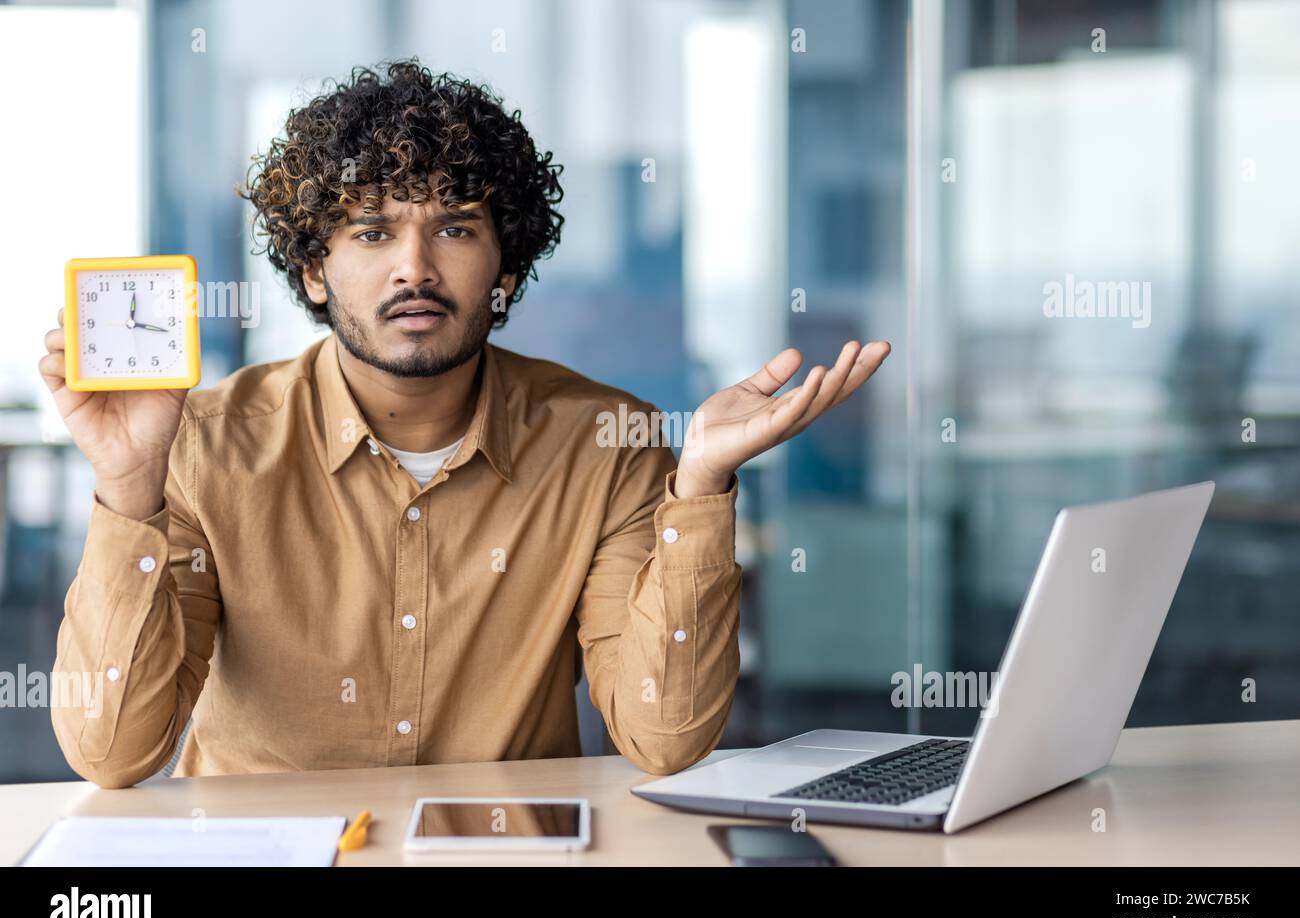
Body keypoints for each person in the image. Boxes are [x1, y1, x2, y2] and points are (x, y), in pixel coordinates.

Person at [39, 60, 890, 788]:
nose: (415, 267)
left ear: (506, 267)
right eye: (373, 232)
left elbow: (664, 736)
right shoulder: (205, 442)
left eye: (453, 227)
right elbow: (114, 751)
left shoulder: (607, 442)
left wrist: (700, 484)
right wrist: (127, 488)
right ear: (314, 274)